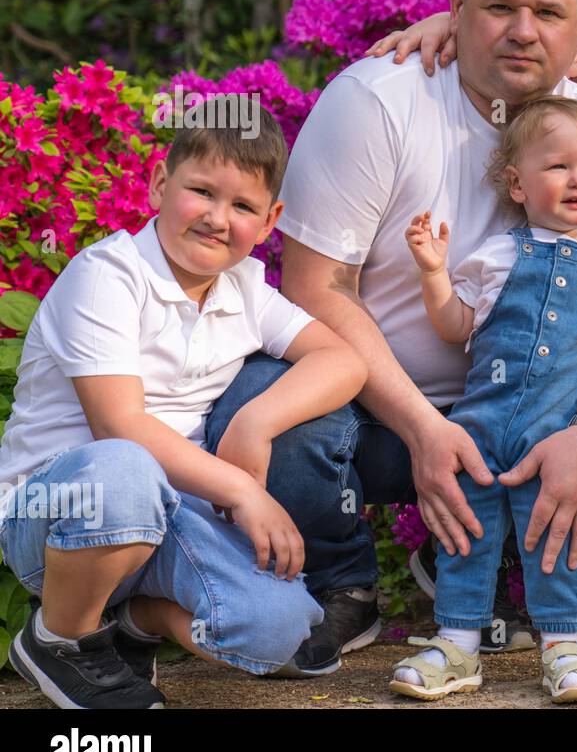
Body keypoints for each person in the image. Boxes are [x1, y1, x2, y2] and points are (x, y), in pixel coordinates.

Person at [204, 0, 577, 677]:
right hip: (378, 412)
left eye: (548, 12)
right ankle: (346, 582)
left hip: (533, 410)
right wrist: (426, 430)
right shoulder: (378, 101)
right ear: (455, 7)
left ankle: (481, 569)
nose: (523, 31)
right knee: (274, 420)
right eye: (498, 8)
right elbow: (314, 287)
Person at [0, 108, 366, 708]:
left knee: (280, 629)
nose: (219, 219)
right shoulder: (107, 276)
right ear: (158, 183)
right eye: (201, 192)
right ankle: (61, 638)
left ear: (270, 220)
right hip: (62, 518)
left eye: (244, 207)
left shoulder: (245, 290)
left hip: (171, 515)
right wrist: (242, 489)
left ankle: (134, 624)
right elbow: (118, 424)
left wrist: (256, 421)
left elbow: (343, 361)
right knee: (123, 464)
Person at [389, 96, 577, 701]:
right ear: (517, 184)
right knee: (464, 531)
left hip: (556, 433)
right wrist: (433, 273)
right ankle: (457, 644)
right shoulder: (495, 256)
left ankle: (563, 643)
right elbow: (455, 325)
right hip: (478, 426)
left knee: (554, 532)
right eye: (558, 167)